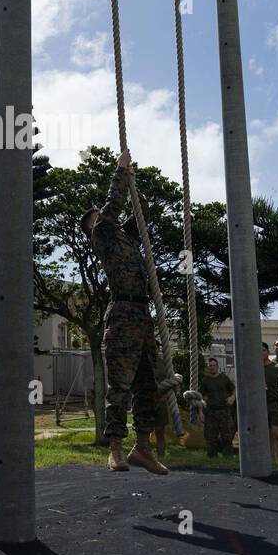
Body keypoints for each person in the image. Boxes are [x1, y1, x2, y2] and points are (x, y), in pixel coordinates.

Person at [82, 150, 167, 474]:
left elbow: (141, 209)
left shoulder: (128, 239)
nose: (100, 215)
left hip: (142, 316)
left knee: (149, 385)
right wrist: (119, 172)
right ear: (91, 226)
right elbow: (113, 208)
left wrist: (133, 180)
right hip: (121, 314)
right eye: (95, 214)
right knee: (119, 386)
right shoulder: (102, 234)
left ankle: (142, 448)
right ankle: (115, 447)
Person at [198, 357, 236, 457]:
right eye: (210, 366)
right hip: (211, 412)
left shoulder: (224, 378)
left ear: (217, 366)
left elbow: (233, 389)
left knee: (227, 436)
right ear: (208, 367)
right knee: (210, 438)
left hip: (224, 411)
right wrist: (200, 412)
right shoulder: (205, 381)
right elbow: (200, 397)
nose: (212, 368)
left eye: (214, 365)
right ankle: (212, 458)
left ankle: (228, 458)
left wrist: (232, 397)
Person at [263, 344, 278, 464]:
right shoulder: (255, 369)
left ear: (268, 352)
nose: (261, 353)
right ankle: (270, 461)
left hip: (277, 404)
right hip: (262, 406)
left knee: (277, 433)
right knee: (267, 436)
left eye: (263, 350)